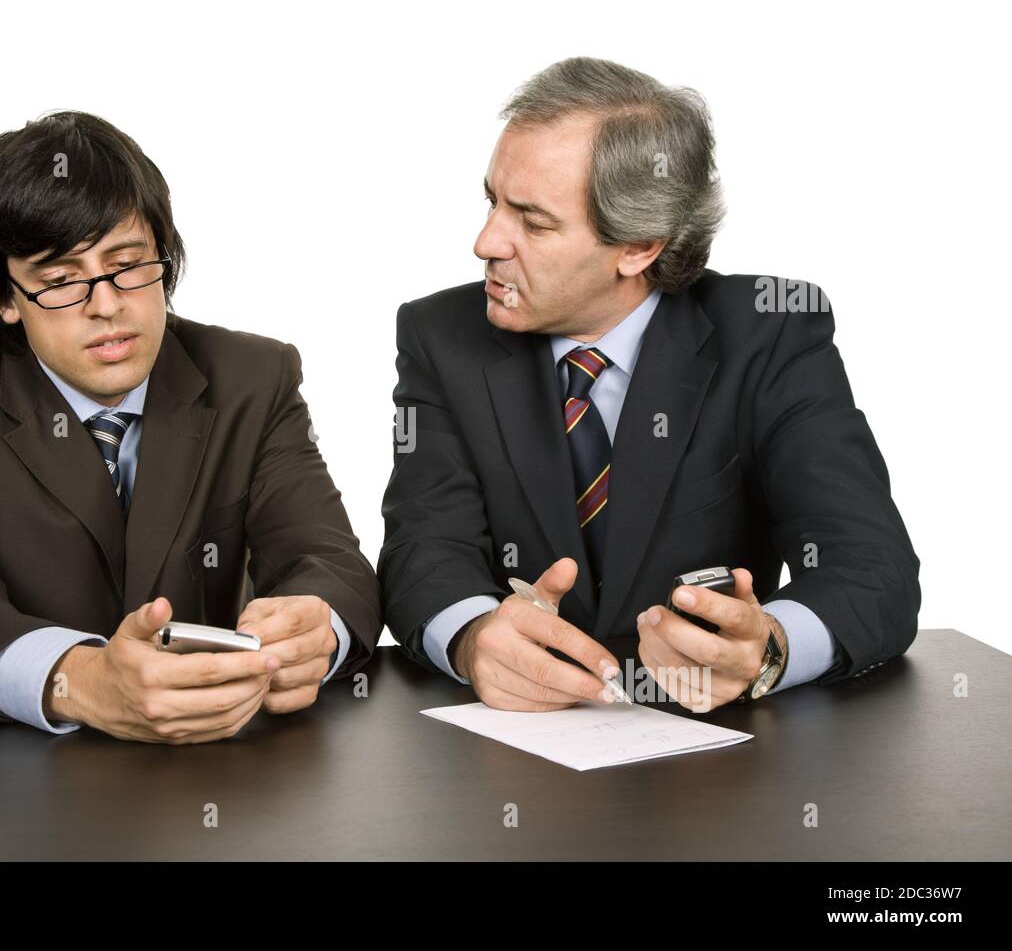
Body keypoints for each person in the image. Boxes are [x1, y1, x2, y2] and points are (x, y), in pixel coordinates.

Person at [378, 57, 920, 712]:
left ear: (638, 246)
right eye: (492, 201)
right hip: (508, 749)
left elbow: (871, 568)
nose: (485, 241)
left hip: (715, 768)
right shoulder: (442, 334)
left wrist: (767, 649)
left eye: (534, 220)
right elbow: (424, 548)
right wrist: (471, 637)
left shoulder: (770, 332)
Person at [0, 111, 381, 742]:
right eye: (60, 281)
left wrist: (311, 632)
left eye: (129, 266)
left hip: (222, 776)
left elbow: (327, 557)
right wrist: (77, 679)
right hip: (17, 797)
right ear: (5, 298)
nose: (106, 305)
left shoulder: (254, 376)